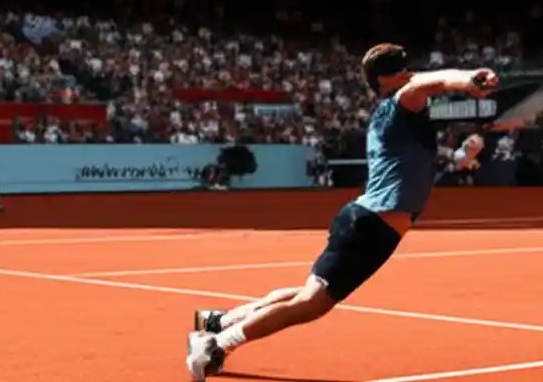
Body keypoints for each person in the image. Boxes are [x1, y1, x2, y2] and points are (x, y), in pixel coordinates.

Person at [185, 43, 498, 380]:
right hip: (370, 225)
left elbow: (416, 145)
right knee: (311, 304)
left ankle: (219, 321)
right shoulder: (404, 100)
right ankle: (216, 343)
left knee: (306, 294)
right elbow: (429, 82)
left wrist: (458, 155)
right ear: (389, 79)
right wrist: (467, 79)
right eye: (405, 71)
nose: (412, 74)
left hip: (372, 225)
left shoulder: (397, 113)